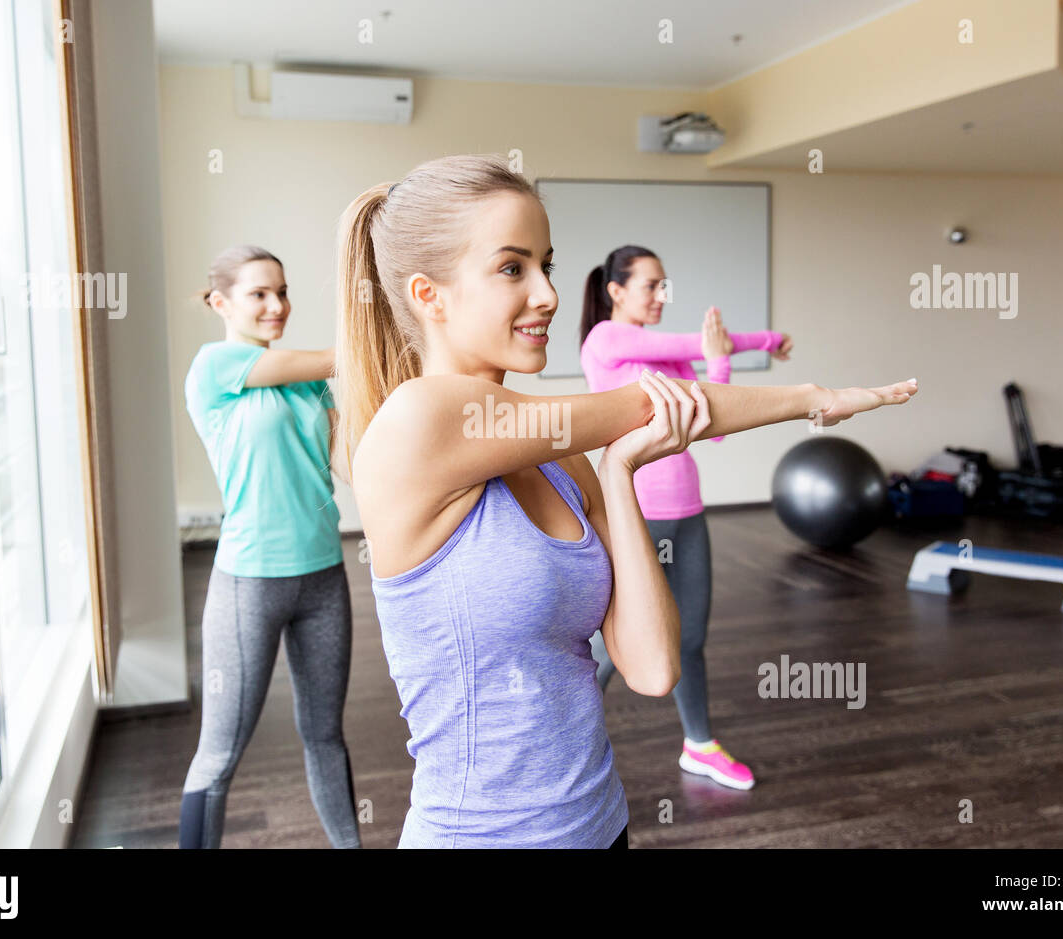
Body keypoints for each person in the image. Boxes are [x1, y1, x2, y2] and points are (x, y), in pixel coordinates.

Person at [334, 154, 917, 848]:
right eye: (513, 268)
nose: (549, 293)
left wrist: (618, 477)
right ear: (429, 295)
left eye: (547, 264)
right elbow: (643, 403)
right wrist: (812, 400)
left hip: (601, 822)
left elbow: (651, 668)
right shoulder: (417, 421)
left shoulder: (562, 460)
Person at [579, 246, 793, 790]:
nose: (660, 296)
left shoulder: (670, 360)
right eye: (650, 285)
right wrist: (766, 342)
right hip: (637, 514)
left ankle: (700, 744)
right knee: (609, 648)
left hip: (687, 510)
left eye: (664, 286)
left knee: (690, 637)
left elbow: (714, 426)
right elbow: (692, 343)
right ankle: (565, 749)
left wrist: (718, 360)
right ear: (616, 290)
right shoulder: (608, 339)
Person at [179, 245, 360, 849]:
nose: (277, 305)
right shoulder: (215, 367)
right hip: (250, 582)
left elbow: (348, 465)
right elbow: (337, 358)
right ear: (219, 302)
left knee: (326, 735)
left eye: (281, 291)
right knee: (220, 752)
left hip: (325, 577)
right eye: (259, 293)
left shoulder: (310, 388)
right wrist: (375, 345)